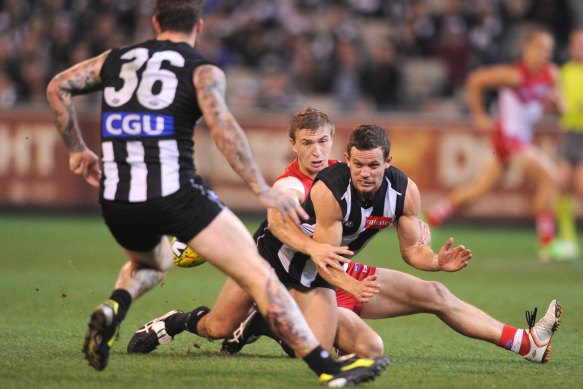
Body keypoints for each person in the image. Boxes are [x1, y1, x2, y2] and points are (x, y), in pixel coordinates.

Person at [45, 2, 388, 386]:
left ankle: (115, 305)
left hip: (117, 196)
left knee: (152, 263)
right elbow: (224, 130)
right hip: (176, 192)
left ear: (155, 22)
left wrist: (77, 149)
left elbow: (58, 86)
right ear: (200, 26)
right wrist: (260, 188)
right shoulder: (201, 69)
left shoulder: (117, 59)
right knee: (261, 275)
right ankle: (330, 369)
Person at [129, 115, 562, 364]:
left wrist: (433, 261)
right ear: (294, 146)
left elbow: (412, 248)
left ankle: (527, 344)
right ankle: (185, 320)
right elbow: (280, 226)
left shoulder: (396, 186)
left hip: (331, 275)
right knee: (217, 327)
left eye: (323, 142)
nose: (317, 151)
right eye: (307, 143)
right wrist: (322, 254)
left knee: (433, 293)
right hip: (280, 273)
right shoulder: (306, 187)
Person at [425, 26, 564, 261]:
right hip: (510, 141)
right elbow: (476, 79)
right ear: (526, 49)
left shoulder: (550, 75)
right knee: (549, 179)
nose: (544, 54)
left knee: (479, 189)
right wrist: (479, 114)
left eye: (548, 50)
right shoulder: (515, 75)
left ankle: (432, 217)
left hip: (511, 142)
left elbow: (558, 110)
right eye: (540, 48)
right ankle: (547, 245)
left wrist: (557, 106)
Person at [554, 29, 583, 260]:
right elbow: (559, 101)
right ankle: (568, 238)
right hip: (569, 132)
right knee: (561, 184)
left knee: (580, 187)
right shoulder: (564, 71)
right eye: (577, 44)